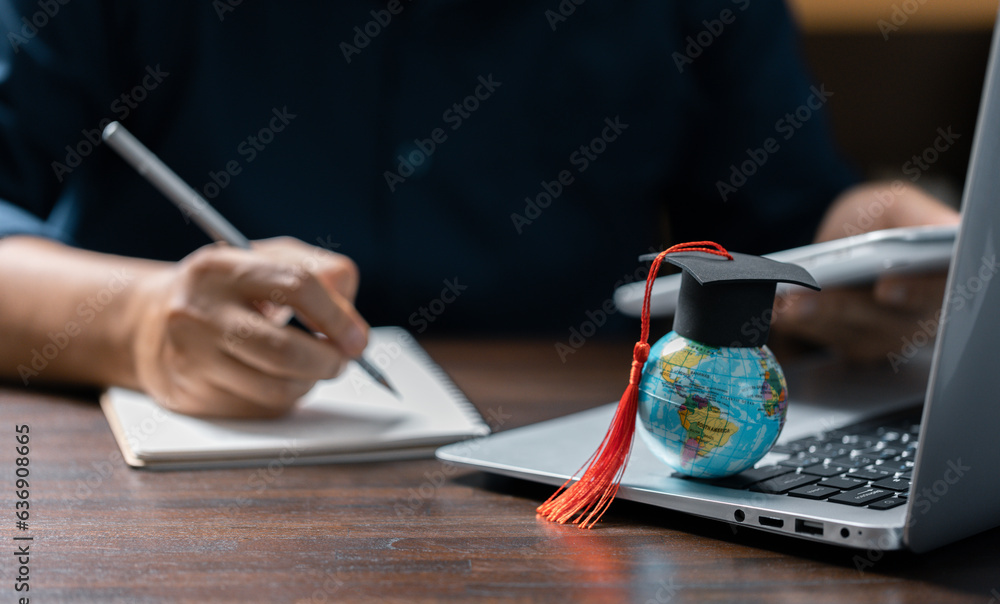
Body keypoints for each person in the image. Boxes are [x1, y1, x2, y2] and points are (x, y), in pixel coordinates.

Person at [0, 1, 957, 417]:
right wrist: (134, 324)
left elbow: (787, 228)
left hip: (577, 493)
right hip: (162, 488)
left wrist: (871, 251)